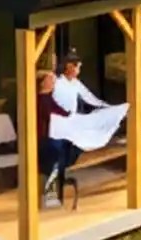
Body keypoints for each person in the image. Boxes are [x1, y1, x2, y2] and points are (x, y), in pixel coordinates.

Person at [43, 48, 109, 202]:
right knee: (55, 157)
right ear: (69, 67)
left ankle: (60, 183)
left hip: (71, 125)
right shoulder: (57, 82)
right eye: (78, 67)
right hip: (56, 125)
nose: (79, 70)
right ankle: (52, 193)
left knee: (69, 154)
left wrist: (107, 107)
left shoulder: (76, 83)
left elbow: (90, 98)